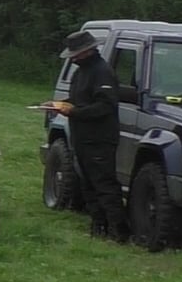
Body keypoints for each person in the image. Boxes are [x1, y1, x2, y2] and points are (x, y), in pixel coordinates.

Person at [46, 30, 126, 242]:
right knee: (87, 184)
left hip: (100, 139)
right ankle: (98, 227)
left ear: (88, 51)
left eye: (76, 54)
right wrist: (58, 104)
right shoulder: (80, 73)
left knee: (104, 185)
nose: (73, 58)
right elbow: (78, 100)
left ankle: (117, 232)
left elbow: (105, 106)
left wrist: (74, 112)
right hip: (81, 137)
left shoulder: (102, 72)